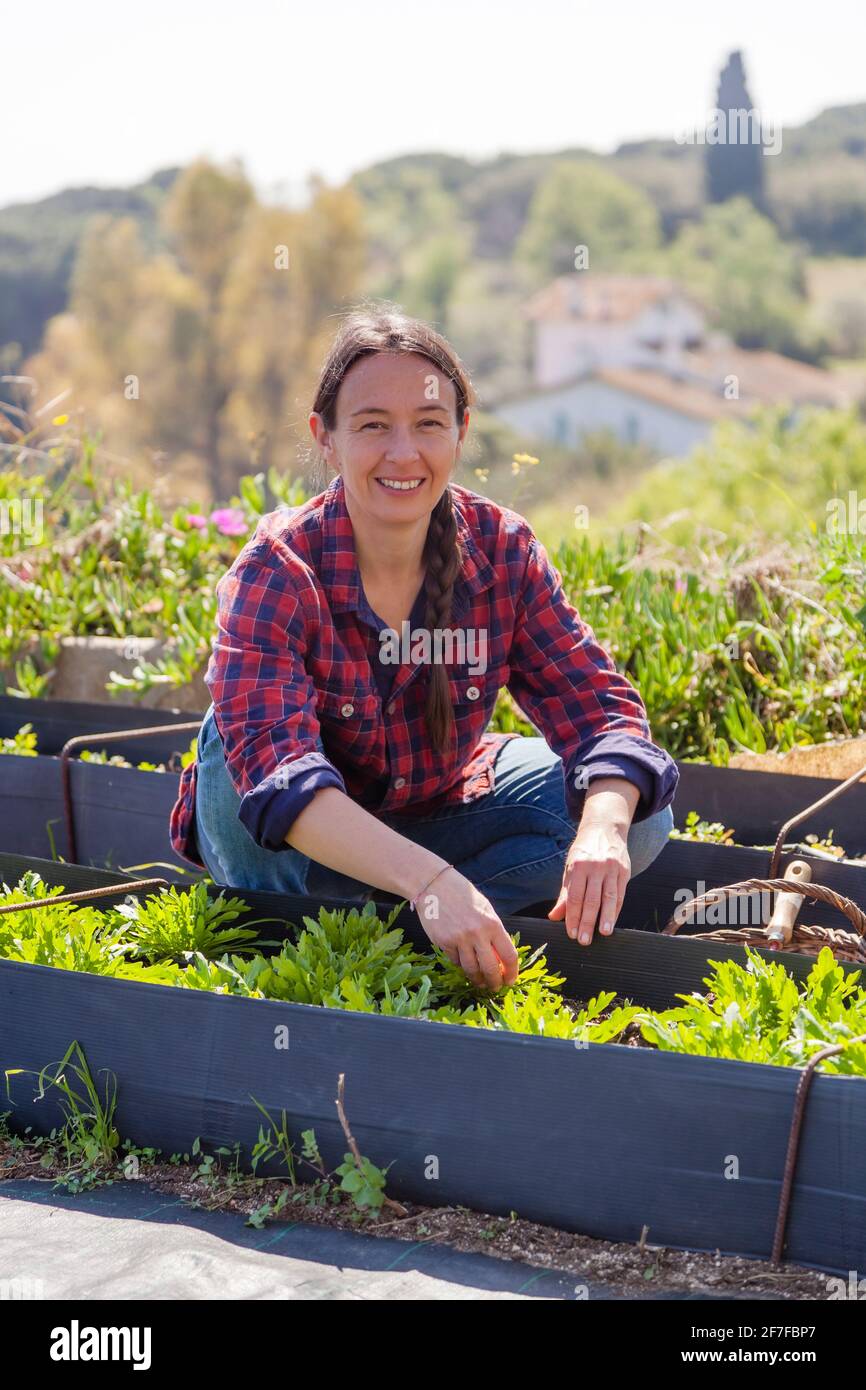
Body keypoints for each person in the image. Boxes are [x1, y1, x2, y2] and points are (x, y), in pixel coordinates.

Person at [170, 306, 679, 991]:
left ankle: (406, 929)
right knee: (232, 764)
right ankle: (330, 932)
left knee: (637, 815)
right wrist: (433, 882)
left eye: (429, 424)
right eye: (374, 425)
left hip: (432, 809)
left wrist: (603, 831)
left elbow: (601, 713)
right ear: (326, 438)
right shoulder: (279, 571)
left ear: (461, 432)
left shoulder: (501, 548)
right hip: (302, 846)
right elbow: (280, 775)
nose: (403, 453)